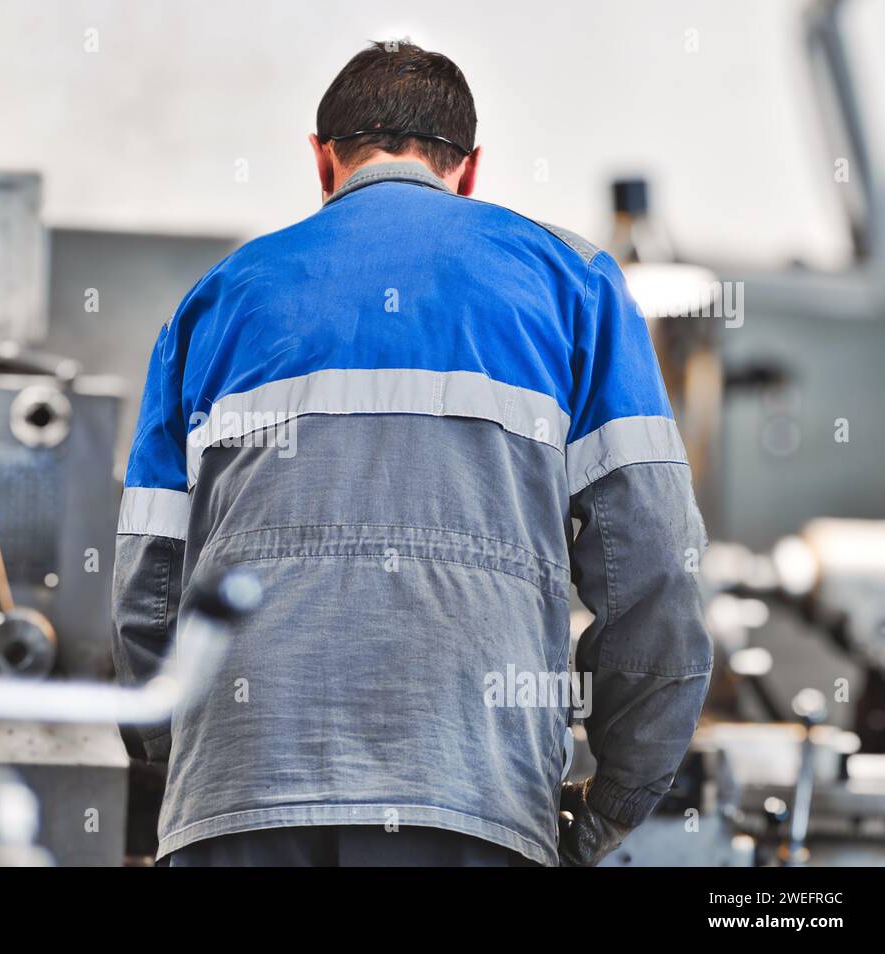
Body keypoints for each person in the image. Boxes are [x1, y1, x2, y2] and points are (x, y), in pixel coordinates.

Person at [112, 40, 712, 867]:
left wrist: (181, 776)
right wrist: (613, 804)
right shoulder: (571, 284)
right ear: (468, 170)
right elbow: (657, 569)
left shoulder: (215, 300)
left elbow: (146, 591)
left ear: (323, 161)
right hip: (472, 800)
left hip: (237, 803)